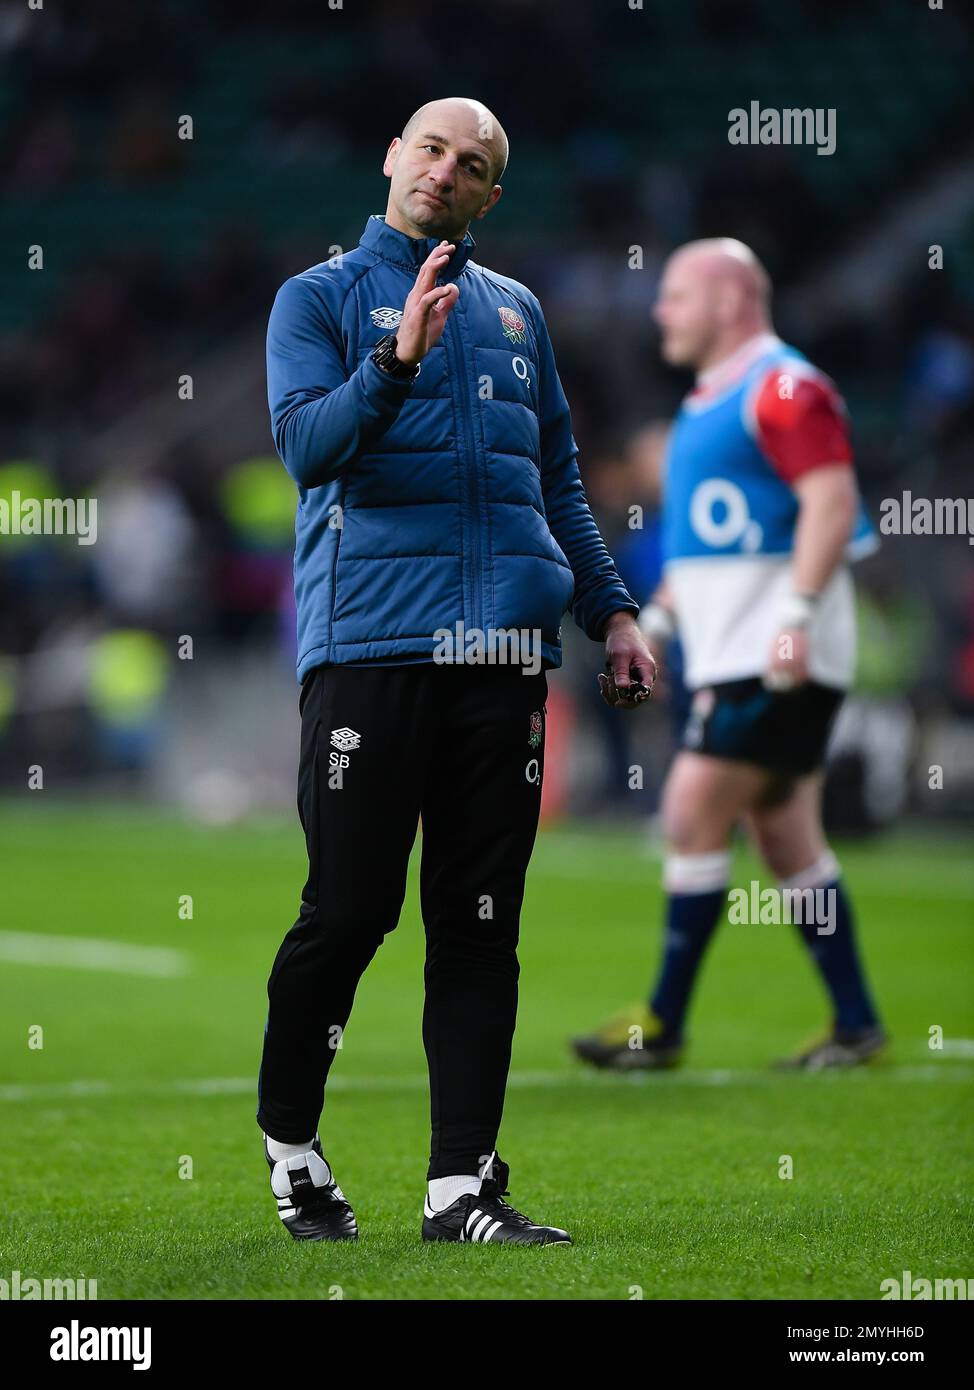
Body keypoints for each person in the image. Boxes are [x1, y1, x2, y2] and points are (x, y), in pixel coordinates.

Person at [257, 97, 655, 1244]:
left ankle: (459, 1190)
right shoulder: (319, 298)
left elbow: (559, 481)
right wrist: (394, 361)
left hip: (501, 662)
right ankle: (290, 1144)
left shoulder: (519, 313)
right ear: (392, 157)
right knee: (347, 912)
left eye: (470, 164)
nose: (443, 171)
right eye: (429, 149)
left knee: (480, 927)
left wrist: (611, 611)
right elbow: (305, 447)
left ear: (489, 197)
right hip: (373, 648)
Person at [572, 238, 887, 1074]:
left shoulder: (783, 386)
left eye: (675, 296)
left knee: (689, 806)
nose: (659, 312)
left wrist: (793, 613)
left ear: (726, 299)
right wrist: (659, 631)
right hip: (736, 651)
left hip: (775, 653)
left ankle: (663, 1025)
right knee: (784, 837)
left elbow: (832, 503)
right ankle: (857, 1025)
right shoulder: (708, 405)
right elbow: (700, 553)